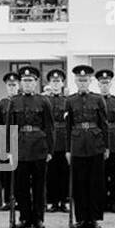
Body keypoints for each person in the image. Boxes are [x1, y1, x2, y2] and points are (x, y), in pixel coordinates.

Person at [0, 65, 55, 228]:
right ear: (21, 82)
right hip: (20, 148)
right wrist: (9, 149)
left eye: (30, 80)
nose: (27, 83)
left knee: (39, 185)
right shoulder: (14, 101)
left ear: (36, 82)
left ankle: (38, 218)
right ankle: (24, 217)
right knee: (21, 186)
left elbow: (49, 127)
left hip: (39, 147)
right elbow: (9, 127)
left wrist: (50, 150)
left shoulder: (44, 101)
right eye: (24, 80)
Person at [65, 64, 109, 228]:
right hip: (77, 145)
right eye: (79, 80)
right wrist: (68, 149)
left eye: (85, 80)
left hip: (95, 144)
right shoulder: (70, 100)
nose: (82, 83)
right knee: (79, 183)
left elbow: (104, 124)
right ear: (76, 81)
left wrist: (106, 147)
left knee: (95, 183)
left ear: (90, 81)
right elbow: (68, 126)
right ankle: (81, 218)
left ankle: (94, 218)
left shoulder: (98, 99)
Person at [0, 71, 20, 211]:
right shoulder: (1, 104)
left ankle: (19, 199)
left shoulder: (21, 101)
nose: (12, 88)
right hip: (5, 141)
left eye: (14, 85)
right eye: (9, 85)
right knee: (5, 173)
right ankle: (7, 200)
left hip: (19, 140)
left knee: (19, 173)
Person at [45, 68, 69, 214]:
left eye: (58, 81)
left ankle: (63, 201)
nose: (55, 84)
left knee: (64, 173)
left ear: (62, 83)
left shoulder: (67, 100)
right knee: (51, 174)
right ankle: (52, 201)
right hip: (50, 141)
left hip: (63, 140)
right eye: (53, 81)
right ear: (49, 83)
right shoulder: (45, 100)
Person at [97, 69, 115, 213]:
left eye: (107, 83)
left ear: (110, 84)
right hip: (99, 142)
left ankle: (113, 201)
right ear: (98, 84)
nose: (104, 86)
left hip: (113, 143)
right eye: (102, 83)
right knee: (100, 175)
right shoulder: (95, 100)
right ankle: (101, 202)